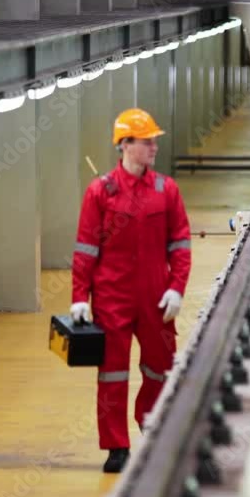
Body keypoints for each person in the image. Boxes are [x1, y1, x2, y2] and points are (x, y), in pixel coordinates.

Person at [70, 108, 192, 473]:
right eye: (147, 141)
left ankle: (150, 423)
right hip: (112, 297)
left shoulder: (165, 189)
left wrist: (176, 288)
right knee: (112, 373)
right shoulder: (100, 192)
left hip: (156, 296)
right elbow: (86, 248)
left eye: (154, 140)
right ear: (125, 145)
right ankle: (116, 446)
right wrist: (79, 297)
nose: (154, 147)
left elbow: (180, 244)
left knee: (161, 367)